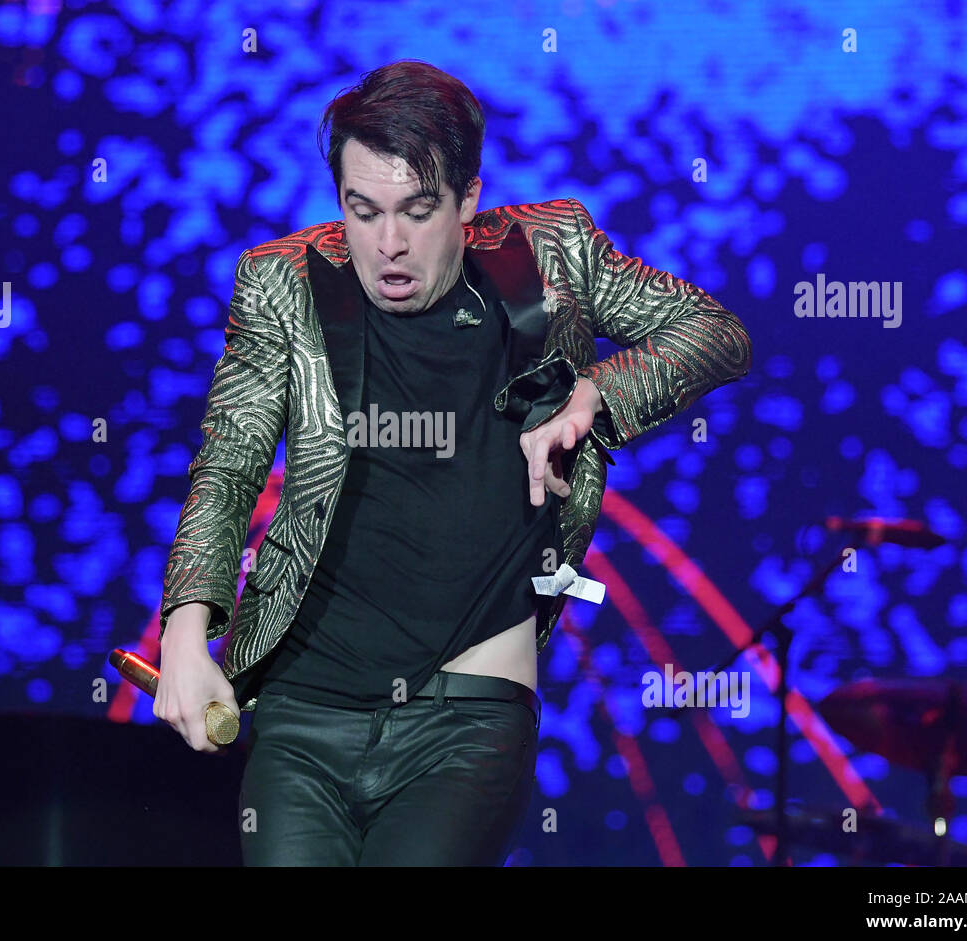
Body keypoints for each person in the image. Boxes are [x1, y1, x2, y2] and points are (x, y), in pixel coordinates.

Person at [152, 60, 752, 865]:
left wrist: (595, 396)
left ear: (469, 200)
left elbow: (716, 332)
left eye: (416, 210)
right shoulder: (282, 284)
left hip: (468, 712)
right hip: (303, 711)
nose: (389, 244)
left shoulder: (551, 253)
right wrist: (186, 639)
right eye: (362, 211)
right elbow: (226, 473)